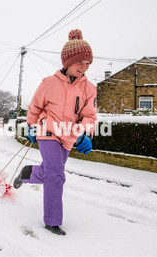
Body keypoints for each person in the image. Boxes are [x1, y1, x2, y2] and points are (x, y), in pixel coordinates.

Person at [14, 29, 97, 236]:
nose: (85, 67)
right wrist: (32, 127)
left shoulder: (89, 89)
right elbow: (34, 107)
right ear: (67, 61)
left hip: (69, 137)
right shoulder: (48, 83)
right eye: (81, 63)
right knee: (56, 175)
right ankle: (52, 221)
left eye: (88, 63)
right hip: (48, 132)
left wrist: (85, 133)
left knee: (50, 173)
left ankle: (29, 174)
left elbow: (89, 116)